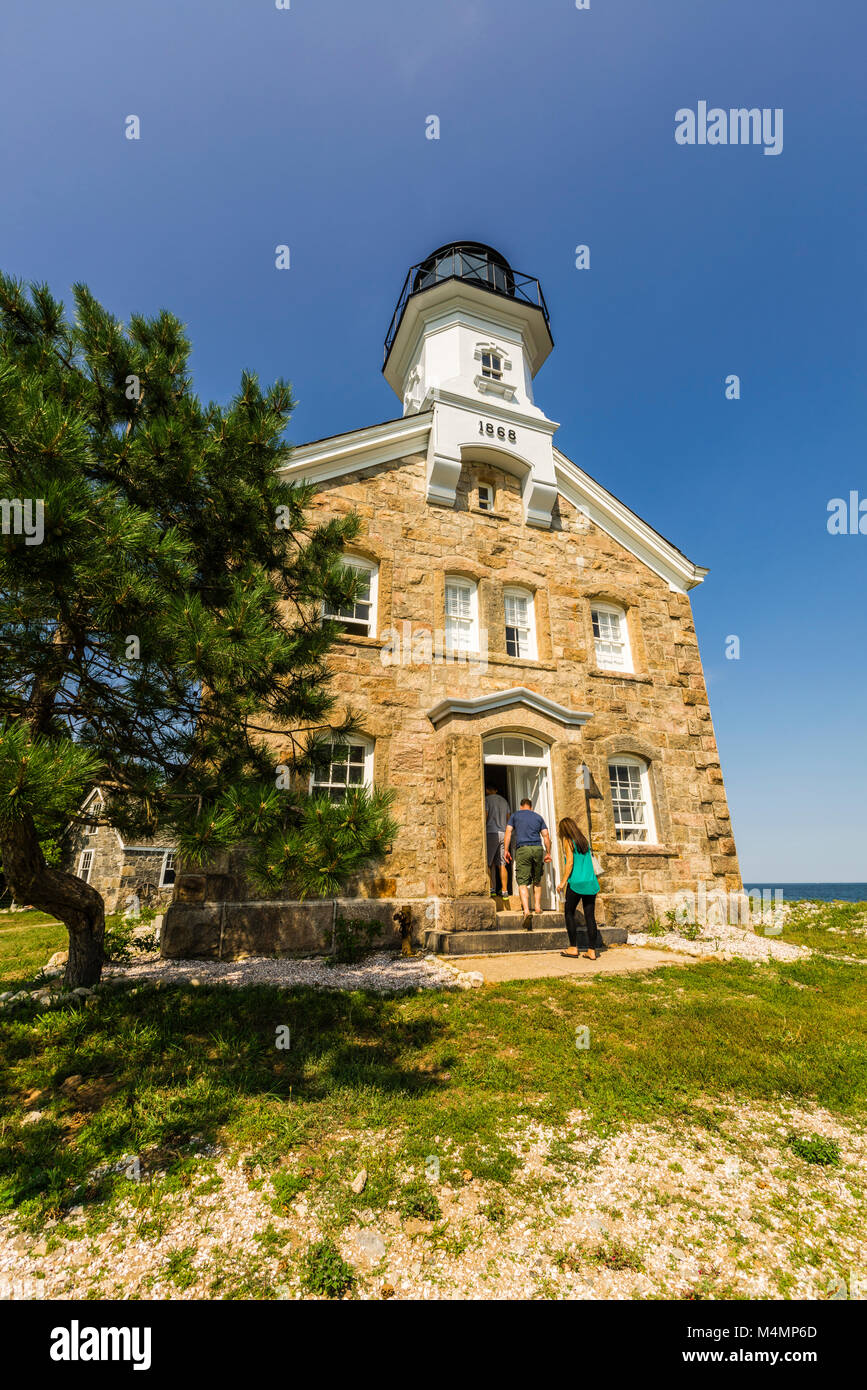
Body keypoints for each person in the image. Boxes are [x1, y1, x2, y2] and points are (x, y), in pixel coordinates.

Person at [556, 816, 600, 960]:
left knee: (569, 912)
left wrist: (562, 882)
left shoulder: (568, 841)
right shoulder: (584, 841)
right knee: (590, 916)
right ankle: (592, 950)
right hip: (590, 882)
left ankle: (573, 948)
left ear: (564, 829)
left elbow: (569, 863)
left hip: (576, 882)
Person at [504, 798, 551, 930]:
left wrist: (506, 850)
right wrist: (548, 853)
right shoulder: (538, 817)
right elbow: (546, 836)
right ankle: (537, 907)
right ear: (530, 806)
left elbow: (508, 832)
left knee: (522, 882)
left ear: (521, 806)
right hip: (537, 848)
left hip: (523, 849)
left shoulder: (515, 816)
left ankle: (526, 911)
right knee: (537, 880)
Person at [484, 783, 511, 897]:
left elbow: (485, 815)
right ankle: (504, 890)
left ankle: (491, 888)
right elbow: (508, 817)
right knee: (501, 863)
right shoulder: (504, 801)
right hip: (504, 833)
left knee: (488, 863)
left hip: (491, 832)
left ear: (487, 790)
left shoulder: (486, 800)